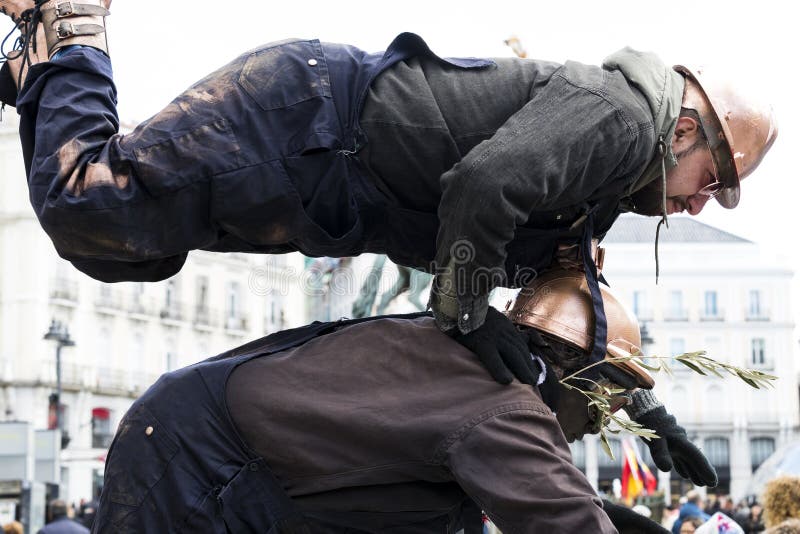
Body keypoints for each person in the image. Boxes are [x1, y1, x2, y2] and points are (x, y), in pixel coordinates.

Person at [0, 0, 778, 386]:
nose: (701, 204)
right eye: (713, 181)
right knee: (92, 209)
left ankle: (39, 74)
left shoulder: (599, 190)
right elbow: (487, 183)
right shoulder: (615, 114)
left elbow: (580, 317)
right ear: (683, 131)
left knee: (131, 254)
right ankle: (69, 24)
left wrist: (642, 405)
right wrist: (466, 316)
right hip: (308, 120)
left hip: (315, 180)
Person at [91, 267, 681, 533]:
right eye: (607, 400)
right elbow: (565, 521)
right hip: (193, 462)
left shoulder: (479, 366)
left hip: (204, 444)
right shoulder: (506, 405)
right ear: (575, 373)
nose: (598, 423)